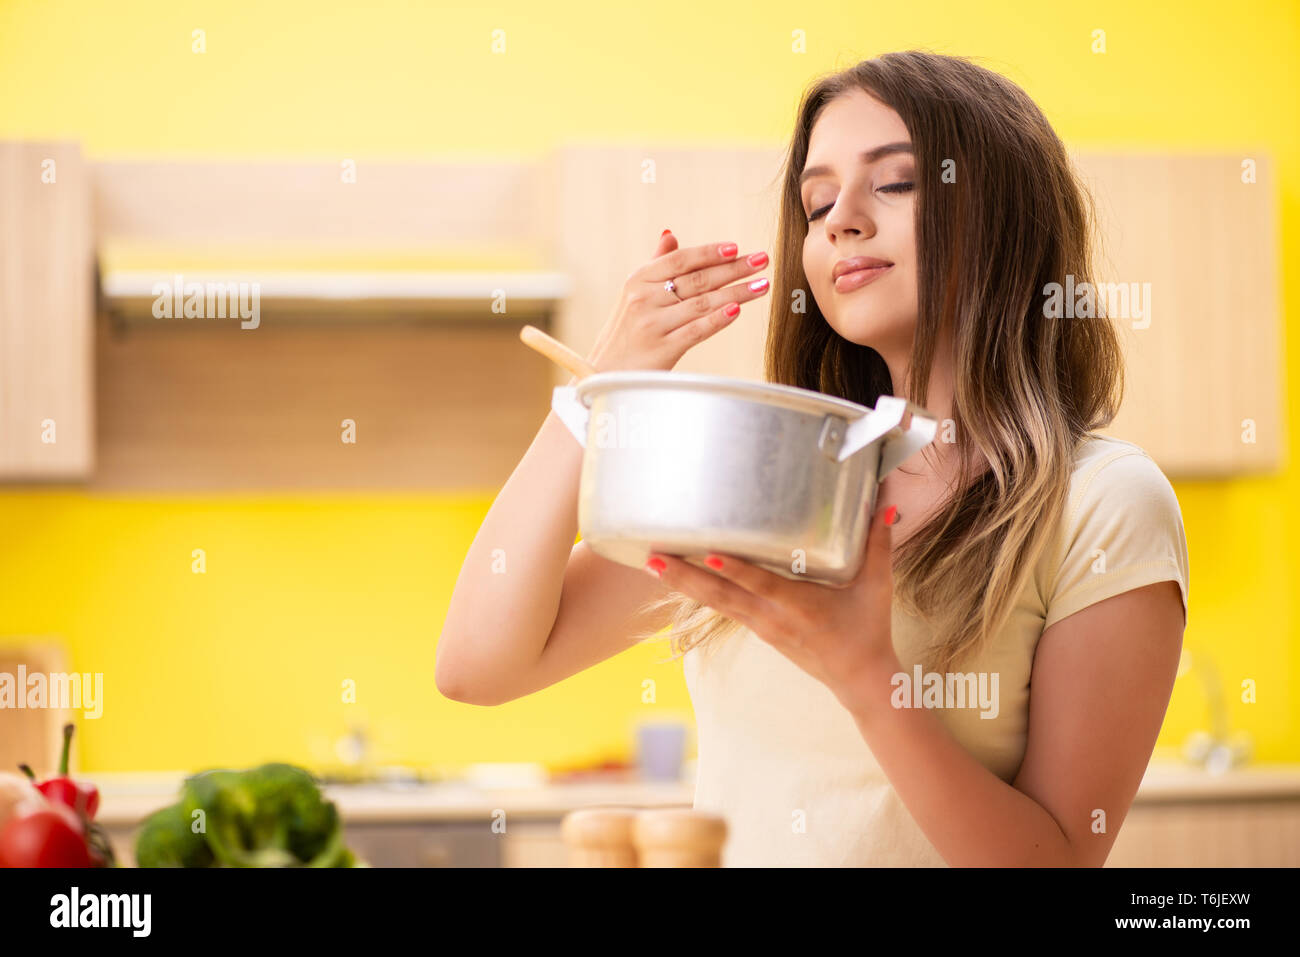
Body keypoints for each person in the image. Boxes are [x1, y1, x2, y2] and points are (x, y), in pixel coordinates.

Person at [436, 50, 1189, 867]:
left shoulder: (1103, 503)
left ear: (1006, 216)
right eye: (818, 200)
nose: (839, 221)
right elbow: (478, 664)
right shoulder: (771, 471)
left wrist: (865, 675)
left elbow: (1058, 861)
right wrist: (599, 392)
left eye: (895, 183)